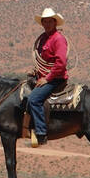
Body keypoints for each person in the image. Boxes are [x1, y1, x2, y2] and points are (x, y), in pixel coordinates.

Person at [27, 8, 68, 147]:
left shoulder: (58, 39)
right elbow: (42, 59)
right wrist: (36, 71)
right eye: (45, 21)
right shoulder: (43, 38)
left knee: (34, 99)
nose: (47, 24)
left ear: (55, 22)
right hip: (43, 75)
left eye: (50, 21)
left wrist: (47, 78)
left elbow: (61, 63)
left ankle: (41, 133)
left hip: (56, 78)